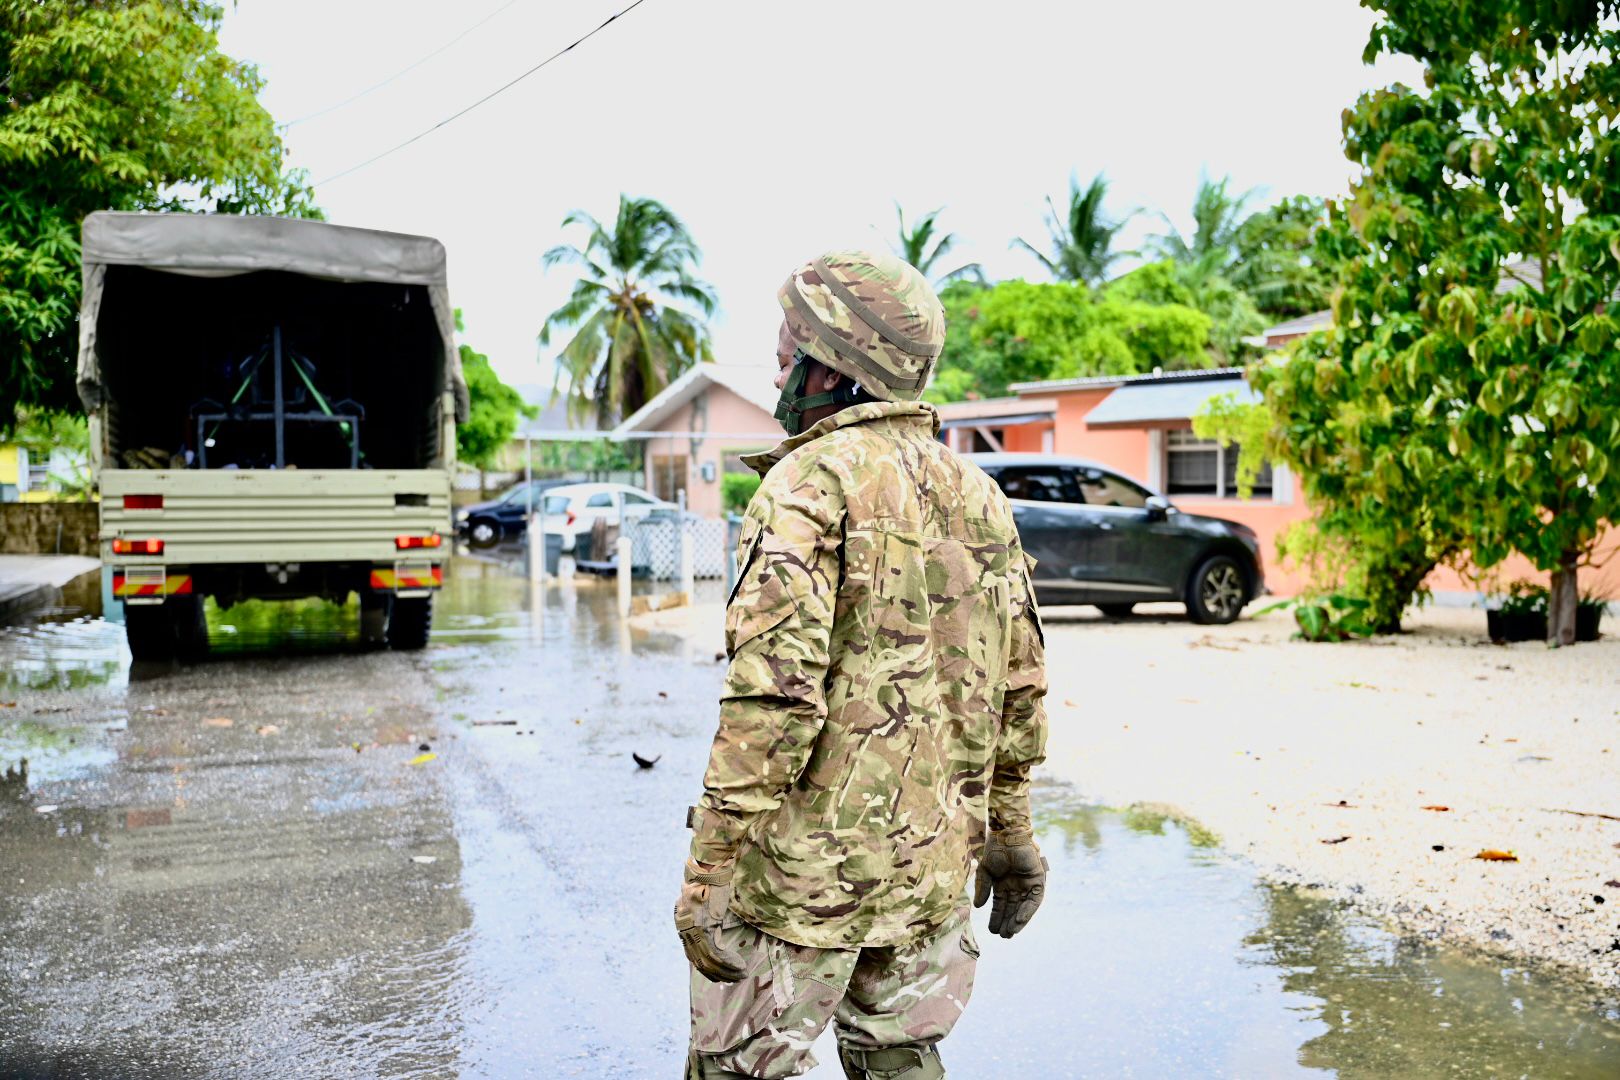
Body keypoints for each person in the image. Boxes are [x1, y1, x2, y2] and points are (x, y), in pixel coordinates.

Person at [674, 250, 1050, 1080]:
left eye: (786, 355)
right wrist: (1011, 833)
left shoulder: (807, 484)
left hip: (800, 886)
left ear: (835, 366)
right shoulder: (976, 492)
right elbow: (1016, 683)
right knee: (903, 1060)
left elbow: (774, 700)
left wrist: (710, 867)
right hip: (930, 872)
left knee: (739, 1067)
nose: (778, 371)